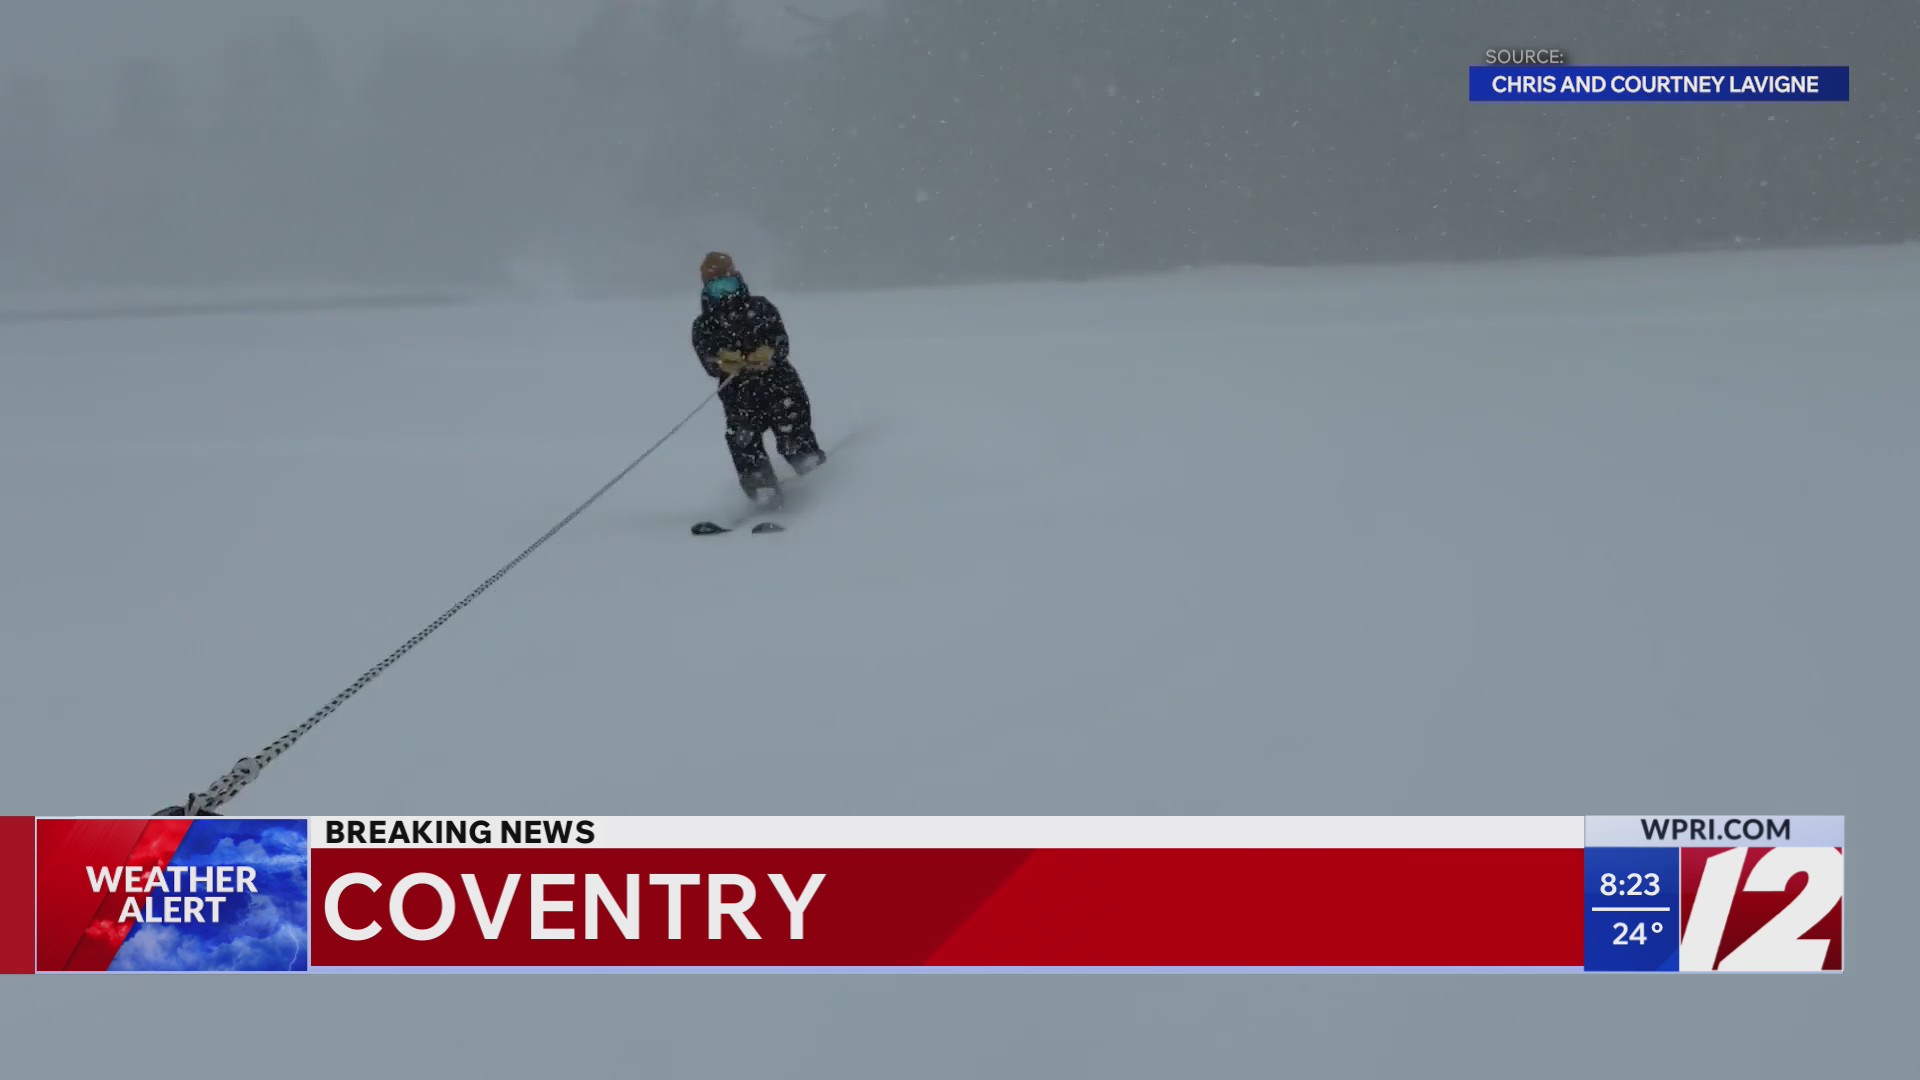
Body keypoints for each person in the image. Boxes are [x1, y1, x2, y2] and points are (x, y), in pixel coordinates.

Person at [691, 252, 825, 509]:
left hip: (780, 384)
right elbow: (707, 358)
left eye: (729, 283)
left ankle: (814, 473)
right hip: (738, 393)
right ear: (707, 288)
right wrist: (722, 362)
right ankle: (761, 487)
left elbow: (781, 341)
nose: (725, 292)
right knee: (743, 439)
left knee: (793, 431)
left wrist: (769, 353)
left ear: (738, 279)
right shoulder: (703, 325)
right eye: (717, 287)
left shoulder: (761, 308)